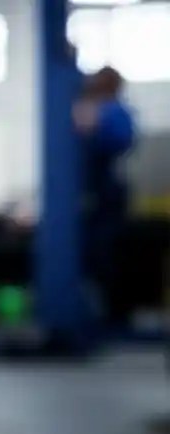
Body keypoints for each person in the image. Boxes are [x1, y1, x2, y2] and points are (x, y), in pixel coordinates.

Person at [74, 66, 138, 323]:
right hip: (87, 191)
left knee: (105, 252)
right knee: (89, 252)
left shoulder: (113, 112)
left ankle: (110, 315)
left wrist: (94, 124)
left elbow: (120, 142)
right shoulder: (88, 108)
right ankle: (93, 309)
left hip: (104, 192)